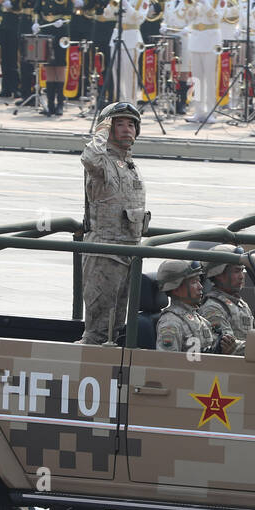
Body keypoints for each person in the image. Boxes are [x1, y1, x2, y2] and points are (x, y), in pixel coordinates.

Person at [80, 102, 148, 345]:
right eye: (119, 124)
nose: (127, 129)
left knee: (115, 327)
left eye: (131, 124)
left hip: (128, 252)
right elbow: (89, 157)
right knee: (99, 327)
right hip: (105, 253)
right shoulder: (103, 161)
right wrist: (100, 131)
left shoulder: (129, 164)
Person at [156, 259, 236, 354]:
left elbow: (209, 351)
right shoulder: (171, 322)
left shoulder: (199, 319)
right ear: (176, 289)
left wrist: (223, 348)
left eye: (199, 281)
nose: (200, 287)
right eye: (194, 282)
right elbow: (168, 363)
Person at [199, 244, 255, 353]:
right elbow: (229, 346)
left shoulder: (239, 303)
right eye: (236, 271)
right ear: (219, 274)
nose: (242, 276)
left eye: (242, 270)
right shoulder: (213, 308)